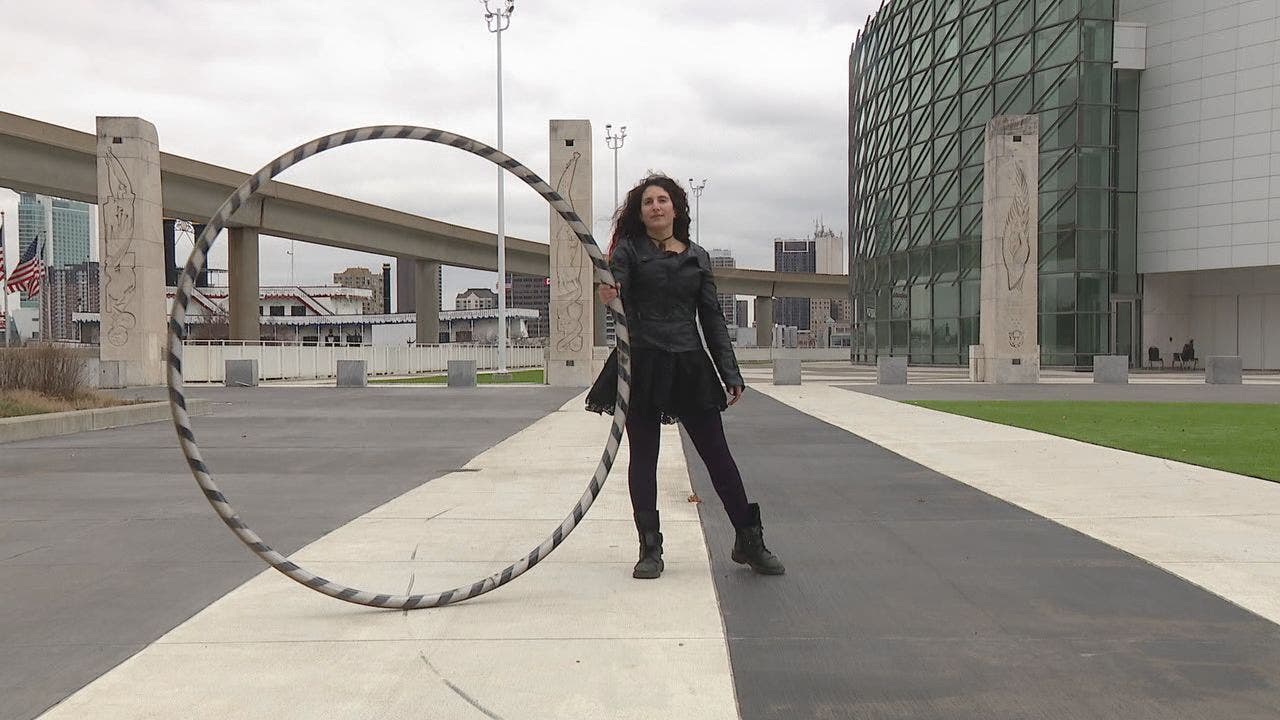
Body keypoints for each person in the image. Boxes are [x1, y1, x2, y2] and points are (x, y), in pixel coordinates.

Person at [586, 174, 785, 579]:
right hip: (642, 362)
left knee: (718, 457)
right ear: (640, 214)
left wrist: (730, 371)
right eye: (647, 202)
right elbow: (614, 292)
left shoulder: (697, 256)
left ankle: (749, 540)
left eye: (662, 200)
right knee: (644, 457)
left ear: (676, 207)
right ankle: (650, 548)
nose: (655, 207)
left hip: (690, 364)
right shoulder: (627, 251)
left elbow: (711, 317)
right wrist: (609, 295)